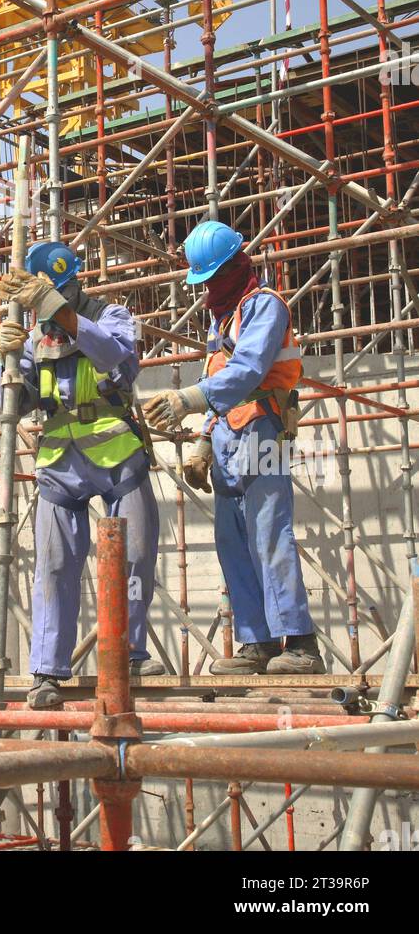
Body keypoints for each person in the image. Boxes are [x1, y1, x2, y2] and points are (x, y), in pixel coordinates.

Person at [143, 219, 324, 675]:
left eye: (213, 278)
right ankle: (257, 642)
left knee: (269, 535)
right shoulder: (222, 316)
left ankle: (300, 643)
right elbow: (217, 379)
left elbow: (247, 370)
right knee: (233, 541)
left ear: (234, 268)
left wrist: (187, 400)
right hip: (228, 435)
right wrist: (204, 438)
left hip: (265, 428)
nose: (209, 289)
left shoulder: (264, 305)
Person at [0, 241, 161, 710]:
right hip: (60, 464)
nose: (52, 312)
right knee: (54, 567)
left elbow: (114, 356)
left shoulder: (112, 316)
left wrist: (53, 306)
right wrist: (3, 362)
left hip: (116, 455)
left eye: (58, 297)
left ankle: (129, 653)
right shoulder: (34, 339)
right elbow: (9, 404)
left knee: (134, 556)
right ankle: (47, 671)